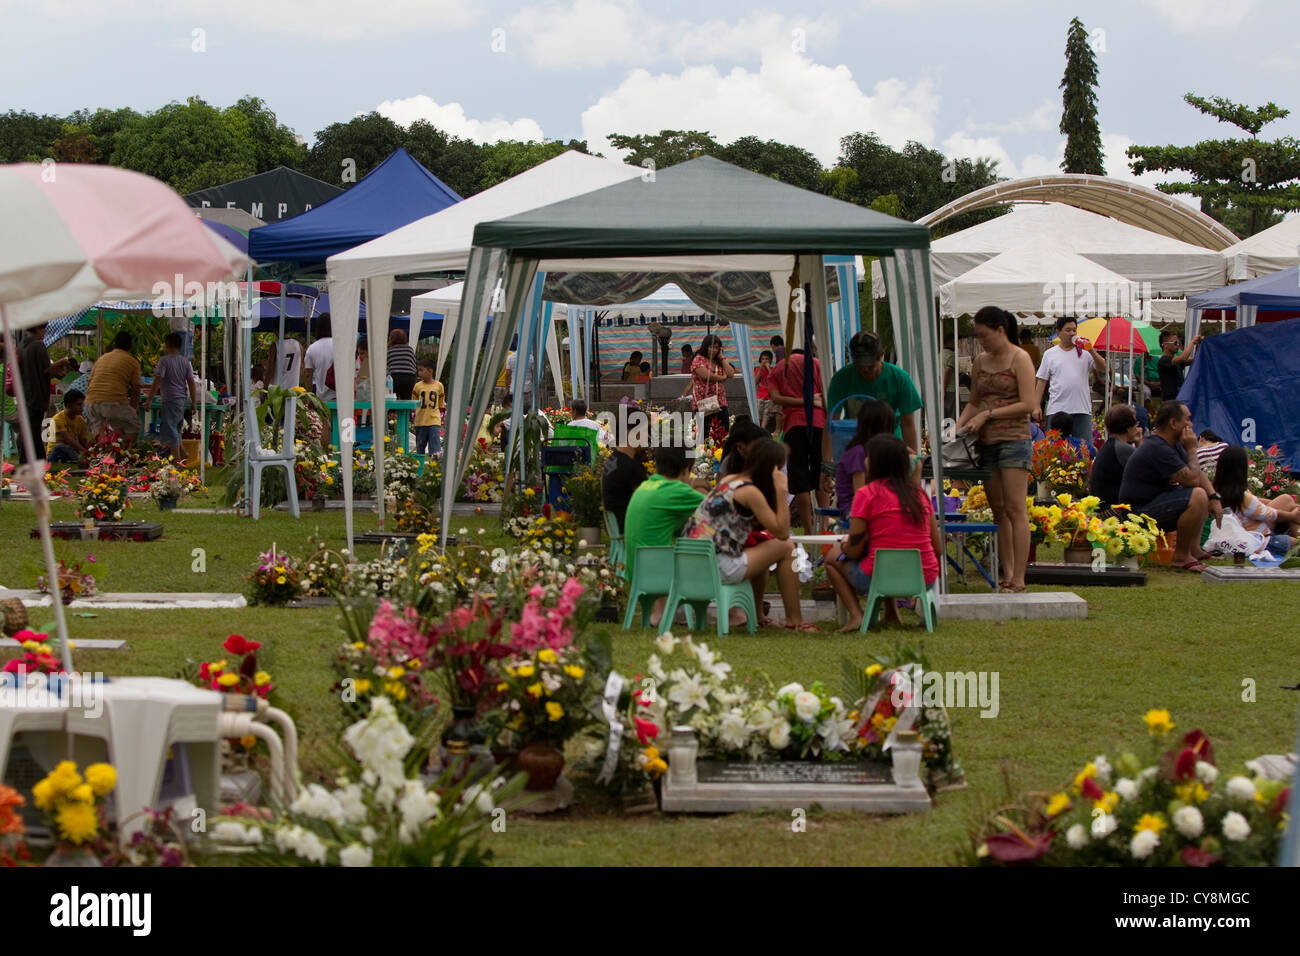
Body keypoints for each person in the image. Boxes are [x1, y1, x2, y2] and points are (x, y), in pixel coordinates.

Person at [682, 438, 811, 631]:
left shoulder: (729, 481)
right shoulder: (749, 492)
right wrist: (782, 490)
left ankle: (757, 615)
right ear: (772, 470)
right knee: (786, 548)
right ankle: (795, 620)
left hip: (692, 565)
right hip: (717, 568)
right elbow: (783, 532)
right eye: (781, 469)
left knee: (762, 549)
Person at [955, 306, 1037, 591]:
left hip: (1014, 439)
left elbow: (1029, 404)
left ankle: (1020, 578)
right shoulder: (980, 361)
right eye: (977, 336)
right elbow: (974, 401)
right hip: (985, 443)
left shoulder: (1021, 359)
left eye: (984, 335)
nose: (981, 341)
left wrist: (989, 416)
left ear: (1000, 330)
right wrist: (955, 431)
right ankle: (1007, 573)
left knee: (1016, 509)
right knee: (998, 510)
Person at [825, 434, 943, 632]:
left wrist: (845, 545)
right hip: (925, 577)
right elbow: (937, 548)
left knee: (831, 558)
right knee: (885, 553)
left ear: (876, 462)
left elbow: (854, 551)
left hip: (878, 577)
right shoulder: (920, 495)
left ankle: (856, 615)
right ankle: (891, 614)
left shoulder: (867, 494)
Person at [1117, 400, 1222, 572]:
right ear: (1173, 423)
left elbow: (1196, 473)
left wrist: (1214, 496)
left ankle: (1194, 550)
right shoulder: (1157, 447)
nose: (1191, 424)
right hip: (1136, 514)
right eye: (1187, 419)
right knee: (1197, 495)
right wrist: (1192, 449)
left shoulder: (1172, 444)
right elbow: (1192, 480)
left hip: (1153, 503)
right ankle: (1181, 557)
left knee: (1202, 493)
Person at [622, 444, 705, 626]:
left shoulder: (646, 486)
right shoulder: (676, 490)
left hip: (636, 571)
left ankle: (659, 613)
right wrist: (698, 487)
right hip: (659, 572)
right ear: (685, 470)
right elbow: (716, 507)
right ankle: (730, 612)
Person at [825, 331, 922, 456]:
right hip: (856, 446)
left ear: (881, 355)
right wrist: (826, 465)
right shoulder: (841, 379)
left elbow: (908, 425)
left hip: (891, 447)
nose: (864, 369)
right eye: (859, 365)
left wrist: (912, 461)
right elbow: (831, 423)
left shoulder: (899, 378)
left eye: (870, 365)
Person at [767, 345, 826, 533]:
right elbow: (825, 395)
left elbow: (775, 398)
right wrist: (810, 400)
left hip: (793, 424)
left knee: (800, 481)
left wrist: (801, 401)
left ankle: (809, 530)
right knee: (821, 475)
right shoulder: (817, 364)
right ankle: (824, 527)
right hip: (819, 423)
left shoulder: (780, 367)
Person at [1211, 445, 1298, 557]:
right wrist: (1292, 515)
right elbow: (1270, 514)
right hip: (1259, 540)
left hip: (1245, 536)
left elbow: (1255, 503)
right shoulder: (1242, 497)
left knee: (1287, 500)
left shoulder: (1218, 491)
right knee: (1291, 509)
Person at [1033, 316, 1105, 442]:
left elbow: (1103, 367)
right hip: (1057, 410)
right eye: (1068, 330)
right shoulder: (1050, 354)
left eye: (1074, 330)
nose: (1072, 333)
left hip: (1081, 409)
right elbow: (1042, 380)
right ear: (1059, 332)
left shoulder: (1085, 353)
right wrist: (1036, 405)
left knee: (1084, 448)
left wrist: (1091, 350)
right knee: (1054, 448)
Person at [16, 323, 72, 463]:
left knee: (29, 430)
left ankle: (26, 461)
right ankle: (39, 461)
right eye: (43, 328)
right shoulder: (38, 345)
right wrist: (62, 363)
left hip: (25, 393)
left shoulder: (21, 345)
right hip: (37, 394)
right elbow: (47, 370)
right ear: (37, 328)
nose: (45, 332)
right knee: (34, 431)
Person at [834, 399, 896, 519]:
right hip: (854, 509)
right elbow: (860, 494)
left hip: (867, 506)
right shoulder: (858, 453)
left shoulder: (869, 451)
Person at [144, 331, 198, 460]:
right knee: (176, 427)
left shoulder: (164, 361)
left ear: (167, 345)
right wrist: (194, 402)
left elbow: (158, 380)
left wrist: (149, 400)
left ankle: (178, 460)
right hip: (181, 399)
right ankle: (183, 453)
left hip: (169, 398)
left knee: (171, 428)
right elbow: (191, 382)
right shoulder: (185, 362)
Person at [84, 331, 142, 442]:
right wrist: (132, 410)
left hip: (91, 403)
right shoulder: (132, 362)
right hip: (113, 402)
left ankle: (99, 456)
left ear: (114, 344)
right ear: (130, 346)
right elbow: (136, 391)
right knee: (133, 423)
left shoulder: (101, 359)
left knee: (101, 433)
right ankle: (127, 454)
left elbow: (90, 382)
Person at [1089, 404, 1141, 507]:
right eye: (1135, 424)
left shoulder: (1110, 446)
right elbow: (1147, 471)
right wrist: (1140, 443)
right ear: (1128, 428)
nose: (1137, 428)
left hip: (1103, 505)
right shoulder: (1122, 448)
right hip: (1113, 509)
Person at [690, 334, 733, 443]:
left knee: (722, 433)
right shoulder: (698, 359)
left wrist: (722, 357)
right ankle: (701, 457)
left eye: (716, 347)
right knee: (703, 435)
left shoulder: (719, 361)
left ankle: (719, 456)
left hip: (720, 402)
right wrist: (722, 377)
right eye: (711, 347)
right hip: (703, 402)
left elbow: (731, 373)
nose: (714, 350)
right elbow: (706, 375)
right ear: (705, 347)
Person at [602, 442, 648, 534]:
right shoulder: (629, 465)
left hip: (615, 528)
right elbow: (648, 501)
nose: (647, 437)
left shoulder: (612, 459)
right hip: (632, 530)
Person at [46, 388, 89, 464]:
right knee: (61, 446)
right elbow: (68, 440)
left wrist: (91, 451)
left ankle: (83, 459)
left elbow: (83, 441)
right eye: (78, 404)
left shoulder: (80, 420)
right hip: (55, 454)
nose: (82, 407)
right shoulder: (57, 418)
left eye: (82, 404)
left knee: (73, 448)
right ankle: (81, 460)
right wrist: (85, 452)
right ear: (69, 405)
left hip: (70, 452)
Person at [411, 359, 445, 456]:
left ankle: (435, 465)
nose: (419, 373)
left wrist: (441, 418)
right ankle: (419, 465)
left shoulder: (439, 386)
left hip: (434, 420)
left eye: (421, 370)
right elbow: (414, 402)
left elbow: (441, 404)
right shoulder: (417, 386)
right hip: (420, 421)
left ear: (430, 371)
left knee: (435, 446)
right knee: (420, 447)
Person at [1157, 330, 1202, 402]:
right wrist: (1192, 342)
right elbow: (1183, 358)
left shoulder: (1176, 361)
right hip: (1170, 401)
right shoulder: (1163, 360)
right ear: (1165, 345)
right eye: (1175, 343)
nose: (1177, 345)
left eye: (1178, 343)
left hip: (1179, 398)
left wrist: (1200, 344)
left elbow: (1197, 359)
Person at [304, 313, 335, 401]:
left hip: (321, 399)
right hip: (339, 396)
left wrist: (309, 398)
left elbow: (307, 375)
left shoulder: (312, 348)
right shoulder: (339, 345)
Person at [387, 328, 418, 400]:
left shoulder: (390, 350)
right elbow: (414, 364)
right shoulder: (409, 349)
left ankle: (392, 411)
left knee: (392, 399)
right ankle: (407, 411)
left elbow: (387, 364)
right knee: (407, 399)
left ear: (391, 339)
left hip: (394, 377)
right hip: (409, 378)